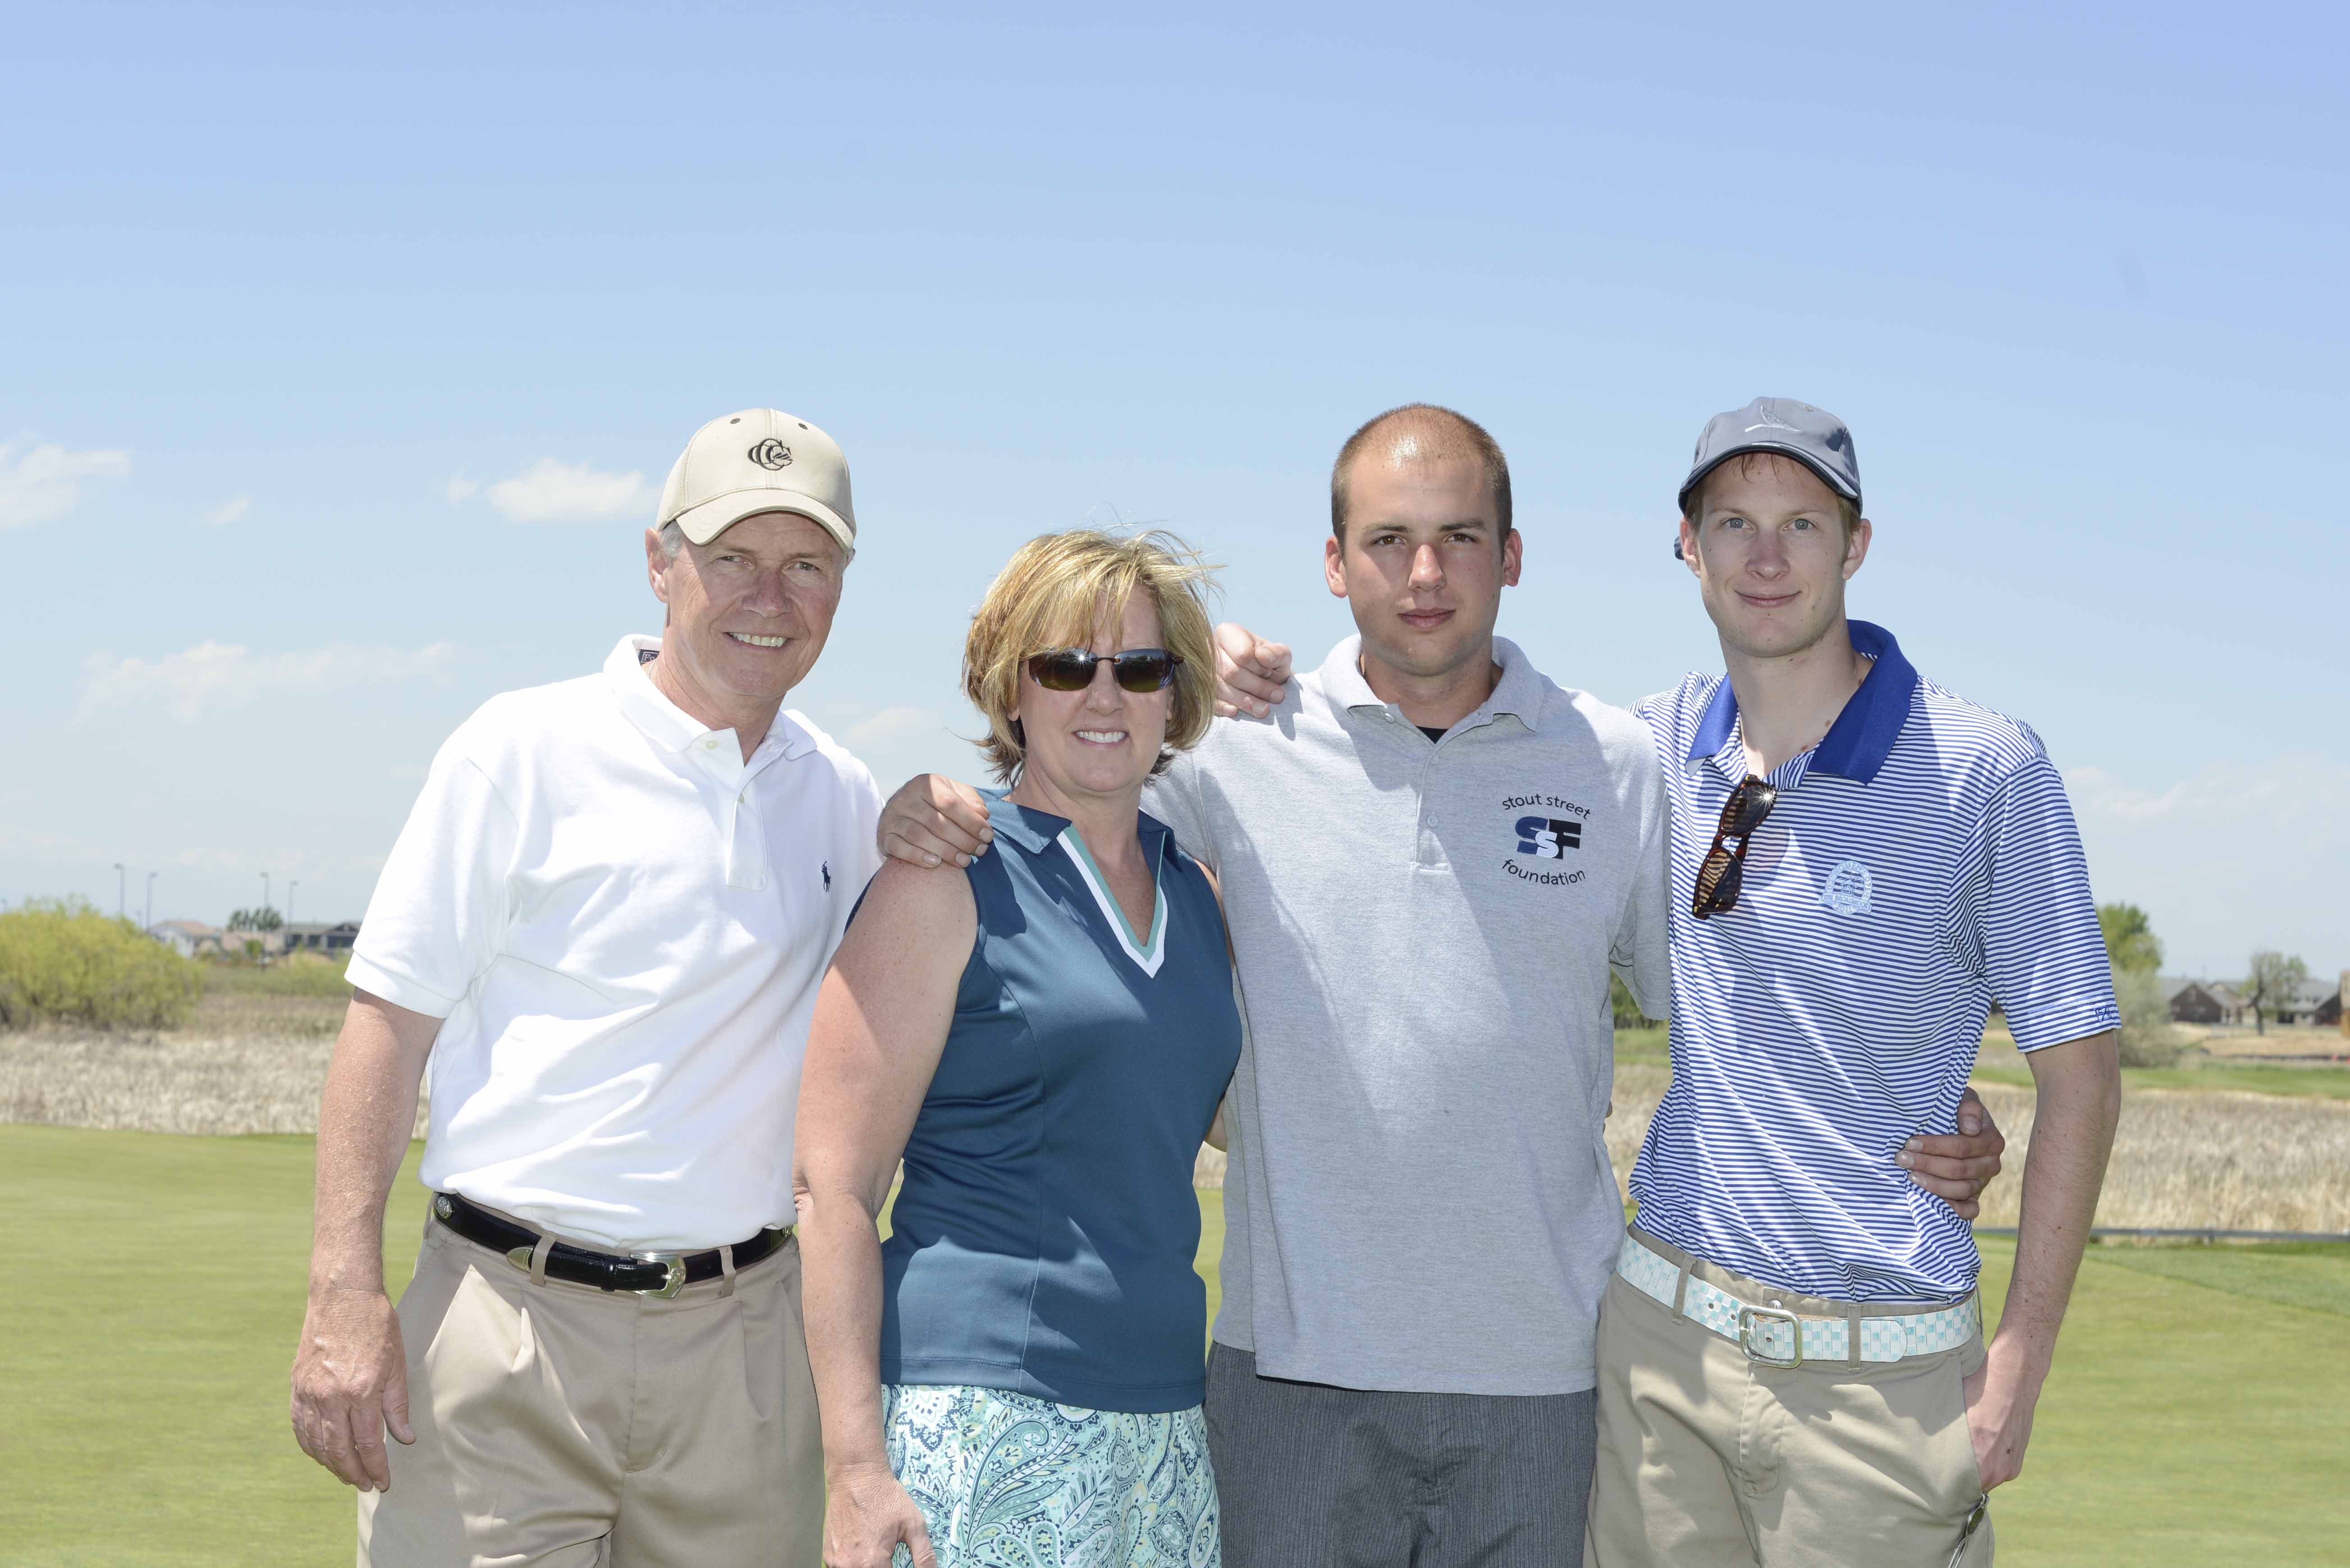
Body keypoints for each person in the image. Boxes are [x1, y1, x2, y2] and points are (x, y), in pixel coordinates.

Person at [876, 405, 2011, 1567]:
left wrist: (1917, 1102)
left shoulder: (1616, 760)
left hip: (1544, 1376)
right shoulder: (1233, 742)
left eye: (1461, 538)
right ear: (1333, 563)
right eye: (1387, 540)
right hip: (1289, 1375)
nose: (1425, 574)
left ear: (1510, 557)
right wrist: (922, 802)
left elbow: (1741, 1002)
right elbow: (1058, 803)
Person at [289, 407, 883, 1566]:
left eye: (806, 564)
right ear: (660, 563)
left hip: (748, 1352)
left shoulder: (845, 796)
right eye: (732, 559)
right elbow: (385, 1028)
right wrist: (340, 1290)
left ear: (841, 585)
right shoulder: (516, 749)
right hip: (506, 1327)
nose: (771, 596)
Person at [1584, 398, 2122, 1567]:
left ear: (1856, 544)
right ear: (1686, 545)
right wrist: (1259, 680)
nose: (1763, 557)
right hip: (1659, 1351)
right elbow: (1460, 717)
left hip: (1882, 1380)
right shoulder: (1642, 747)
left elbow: (2080, 1076)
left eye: (1800, 524)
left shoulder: (1986, 767)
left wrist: (2019, 1366)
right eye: (1731, 522)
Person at [795, 529, 1240, 1568]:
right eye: (1062, 665)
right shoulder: (942, 876)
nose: (1102, 695)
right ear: (1010, 689)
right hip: (983, 1415)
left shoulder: (1196, 891)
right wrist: (856, 1466)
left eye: (1137, 666)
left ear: (1173, 696)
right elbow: (834, 1184)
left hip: (1168, 1419)